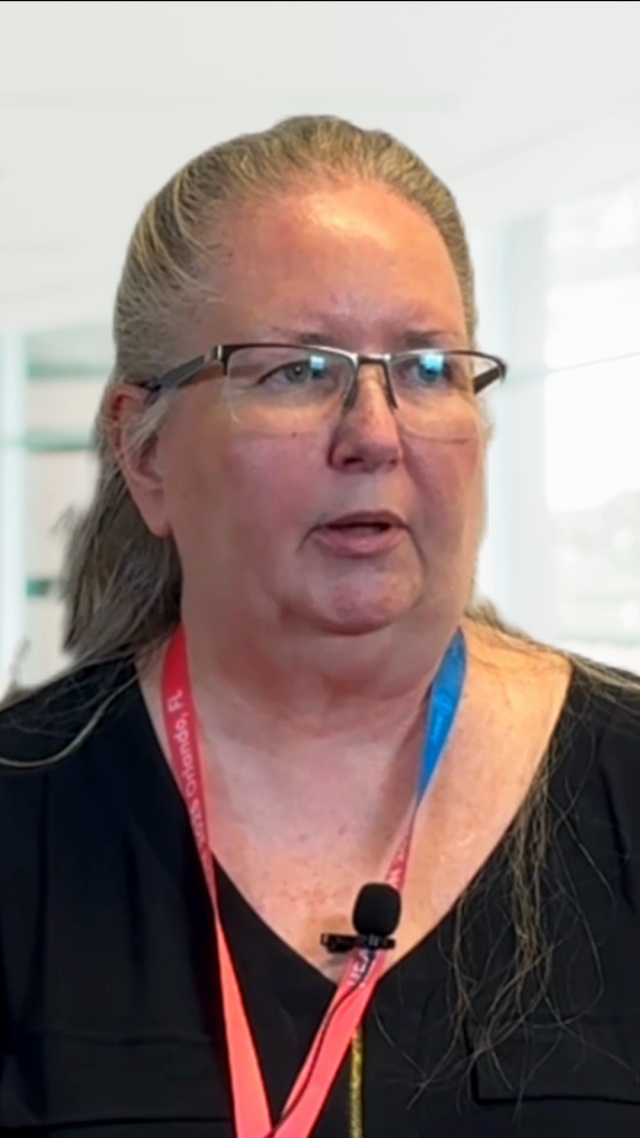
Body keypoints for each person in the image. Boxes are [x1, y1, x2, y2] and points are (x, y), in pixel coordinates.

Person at [1, 115, 639, 1138]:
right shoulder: (25, 808)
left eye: (425, 368)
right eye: (298, 369)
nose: (374, 433)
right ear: (145, 452)